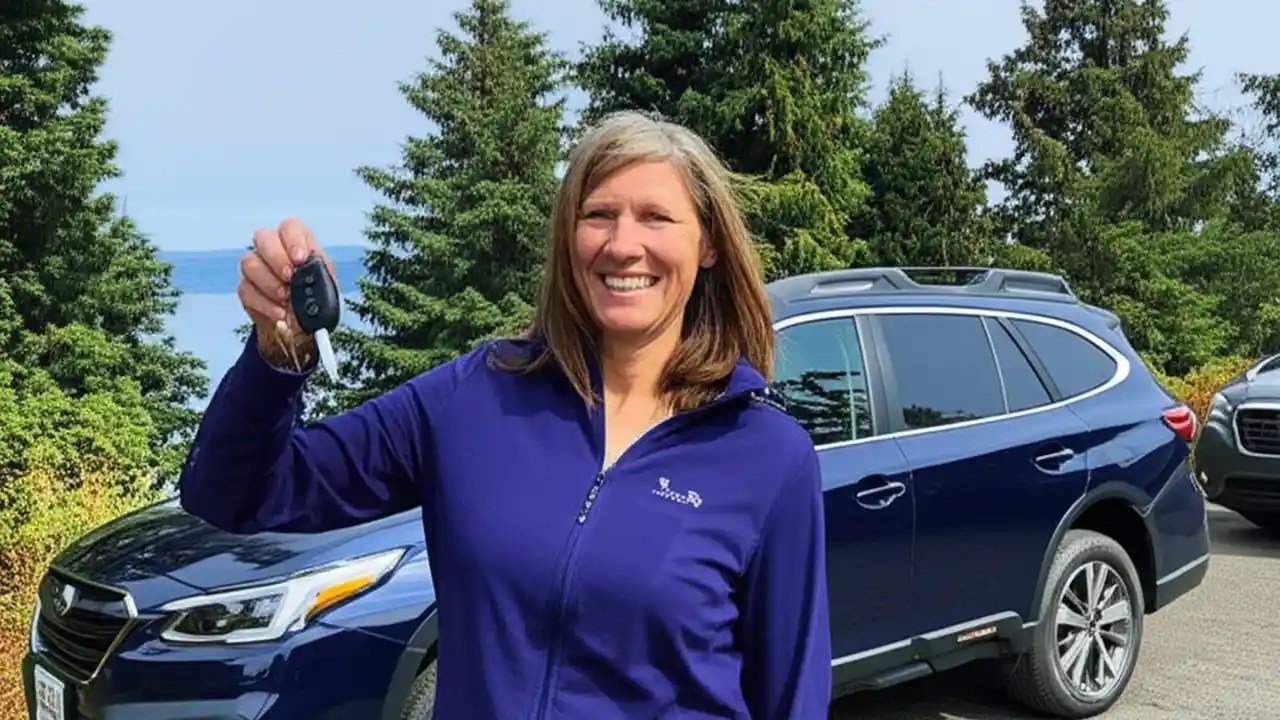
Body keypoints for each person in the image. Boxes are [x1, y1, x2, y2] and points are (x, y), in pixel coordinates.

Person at [179, 110, 831, 719]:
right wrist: (278, 352)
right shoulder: (475, 397)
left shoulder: (766, 454)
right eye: (598, 214)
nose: (622, 244)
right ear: (568, 237)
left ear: (709, 244)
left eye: (656, 217)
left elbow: (792, 695)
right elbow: (234, 494)